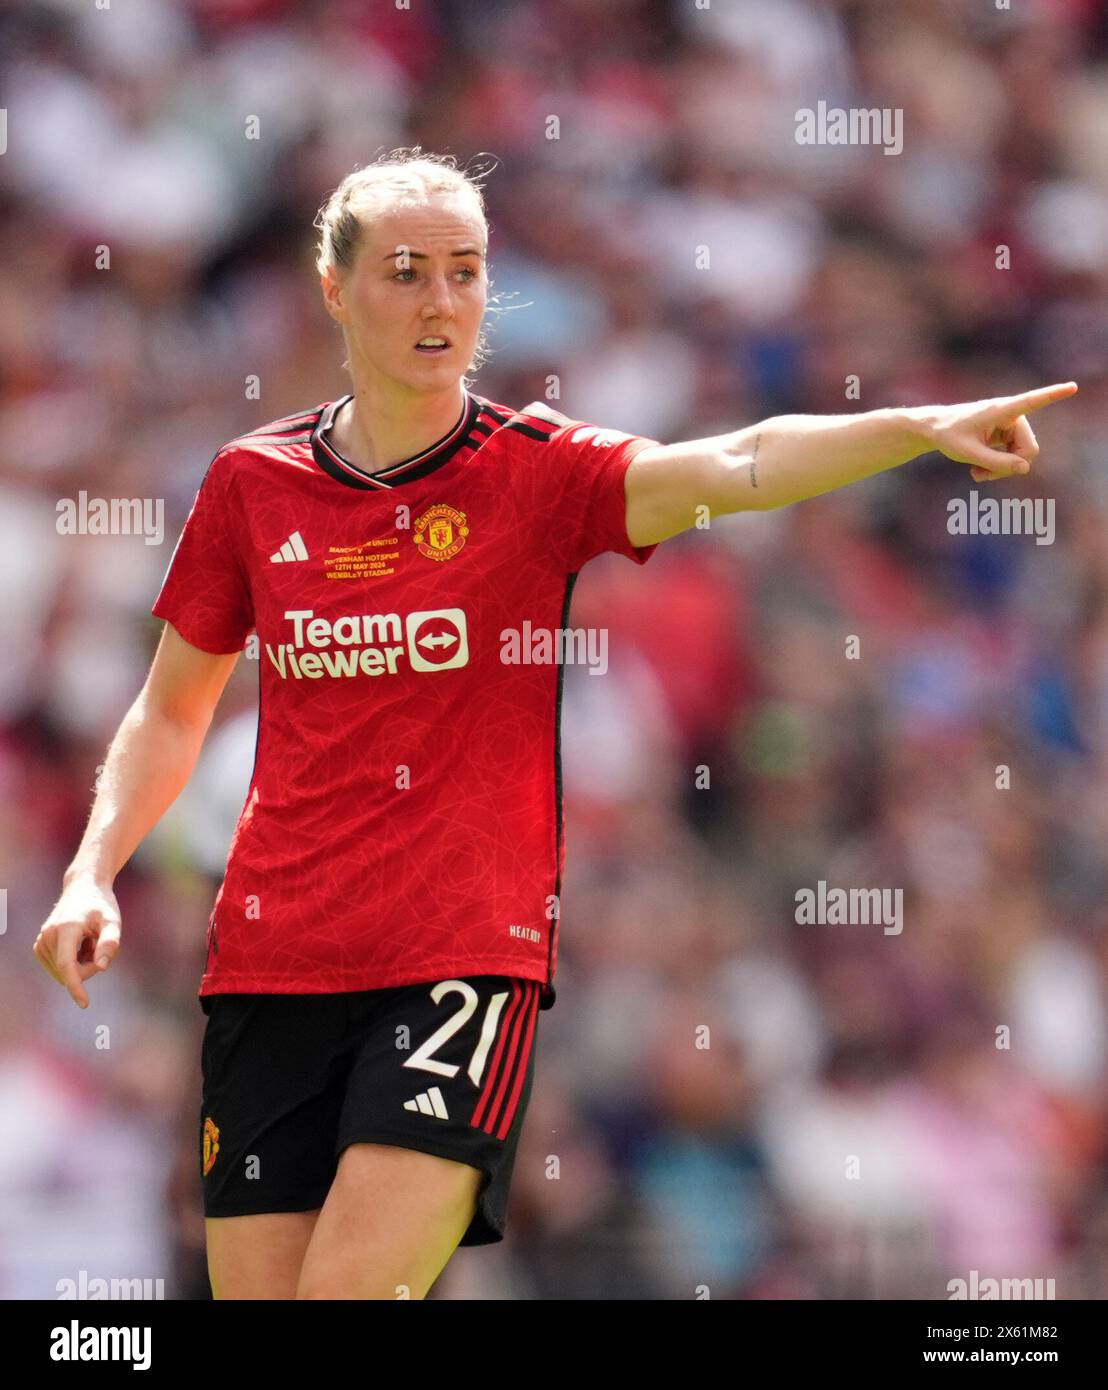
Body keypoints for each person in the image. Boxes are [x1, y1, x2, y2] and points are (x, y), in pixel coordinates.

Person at [32, 146, 1077, 1300]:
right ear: (335, 289)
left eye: (464, 271)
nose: (440, 301)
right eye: (406, 271)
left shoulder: (534, 470)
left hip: (458, 961)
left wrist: (916, 424)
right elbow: (170, 711)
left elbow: (731, 462)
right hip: (272, 964)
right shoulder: (251, 481)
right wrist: (91, 872)